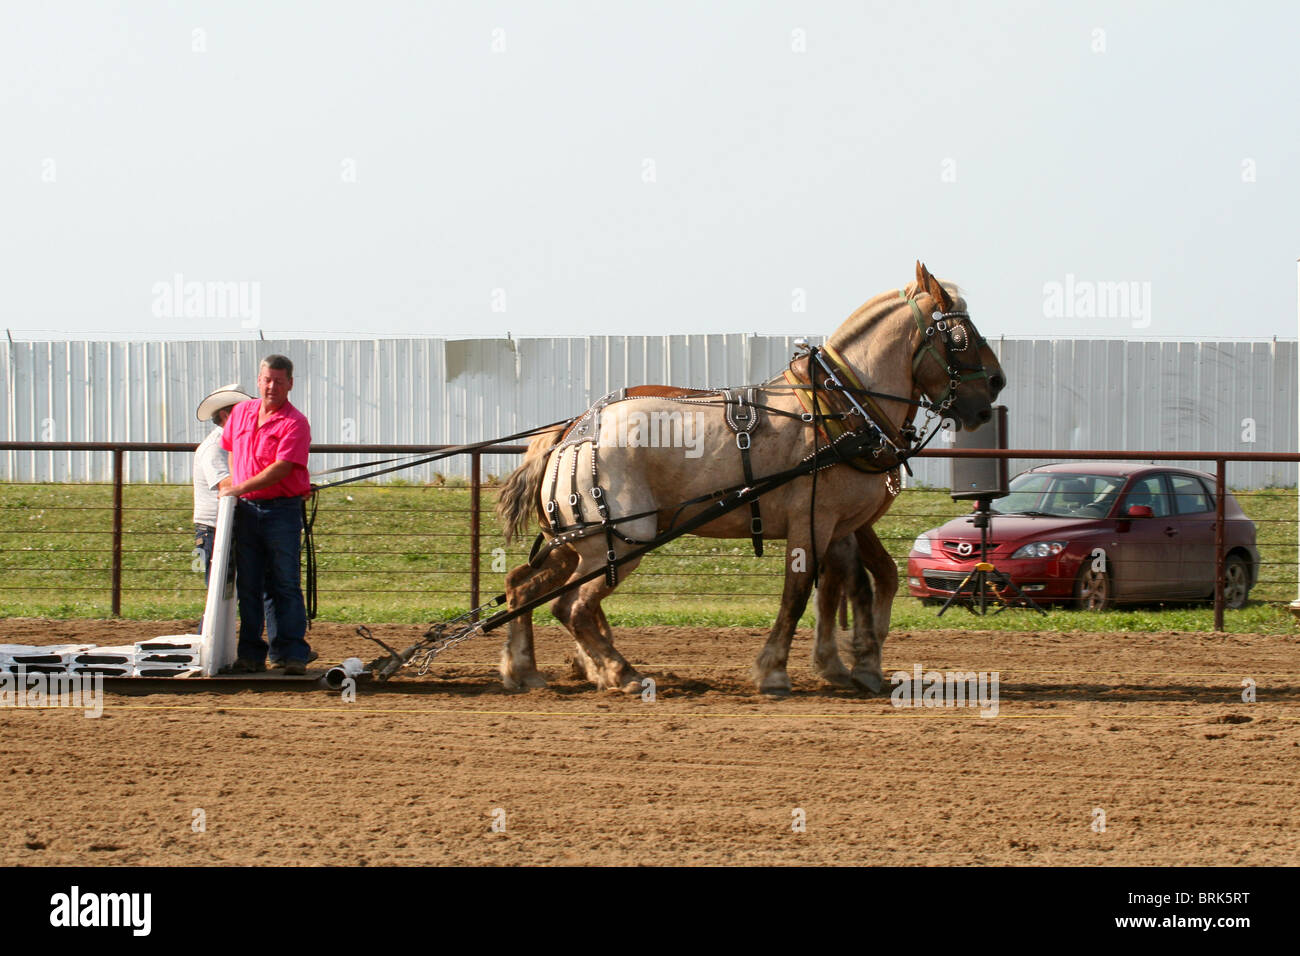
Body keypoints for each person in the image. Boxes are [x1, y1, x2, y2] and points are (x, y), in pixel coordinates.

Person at [219, 355, 315, 674]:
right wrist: (238, 486)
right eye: (267, 379)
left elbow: (282, 468)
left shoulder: (295, 422)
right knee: (250, 583)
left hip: (280, 510)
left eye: (279, 380)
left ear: (290, 384)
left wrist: (237, 487)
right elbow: (232, 449)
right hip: (247, 509)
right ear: (259, 381)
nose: (272, 386)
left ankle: (292, 653)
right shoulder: (242, 413)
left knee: (284, 581)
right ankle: (251, 653)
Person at [192, 384, 277, 639]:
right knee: (219, 594)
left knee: (234, 591)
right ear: (229, 416)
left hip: (231, 525)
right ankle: (204, 645)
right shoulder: (214, 447)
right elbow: (227, 485)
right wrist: (274, 480)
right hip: (215, 529)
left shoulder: (232, 445)